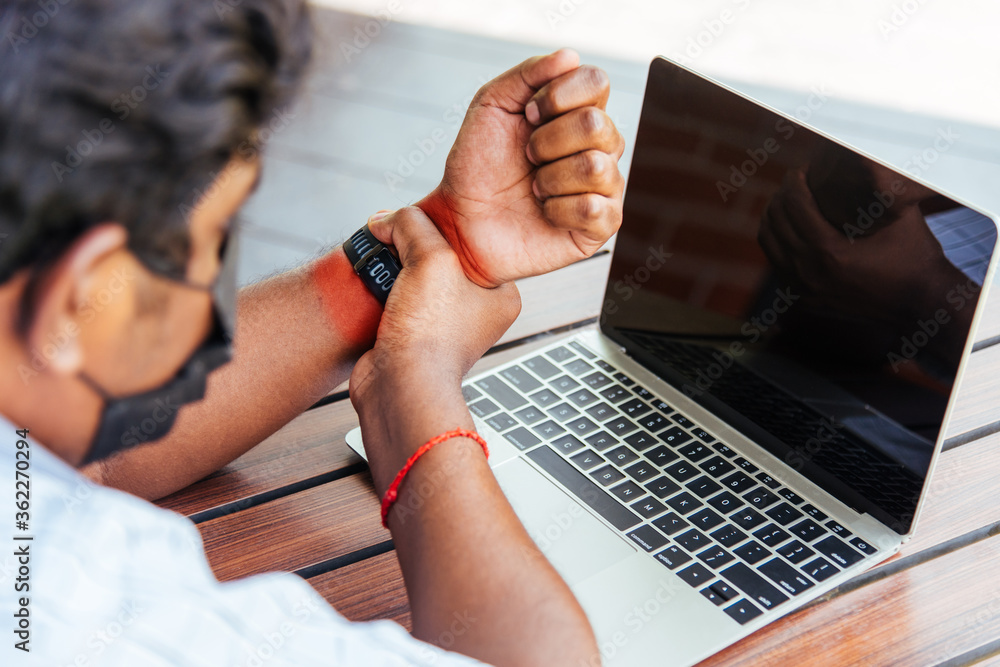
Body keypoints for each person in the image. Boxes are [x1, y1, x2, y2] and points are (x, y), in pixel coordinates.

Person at [0, 0, 626, 664]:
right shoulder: (76, 601)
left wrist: (431, 247)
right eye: (211, 243)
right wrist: (413, 382)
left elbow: (76, 448)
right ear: (80, 294)